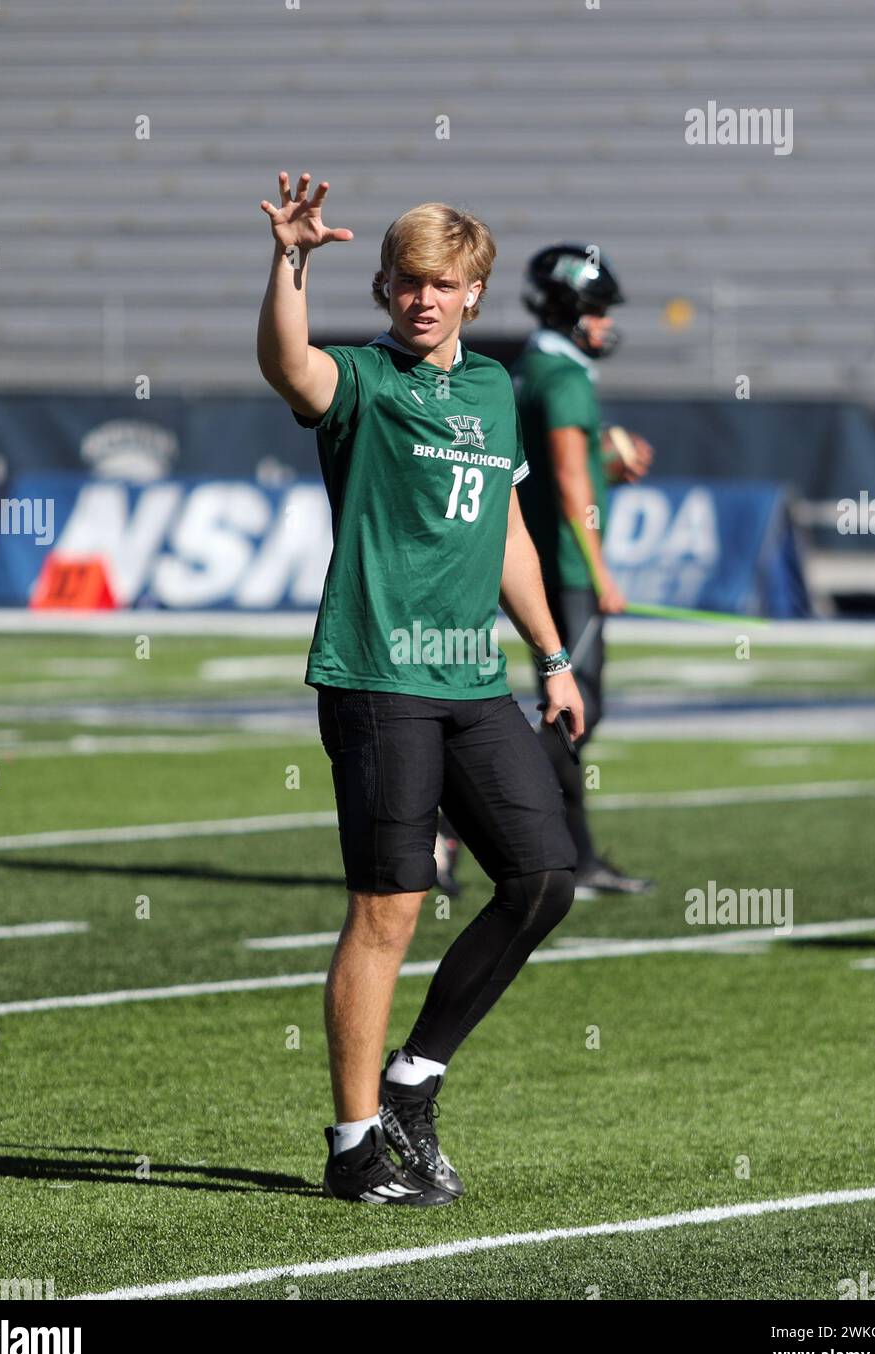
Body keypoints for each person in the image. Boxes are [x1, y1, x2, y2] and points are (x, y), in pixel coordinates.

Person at [257, 173, 584, 1205]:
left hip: (472, 678)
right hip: (376, 675)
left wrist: (553, 656)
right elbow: (288, 367)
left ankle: (414, 1076)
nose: (423, 299)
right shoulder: (361, 379)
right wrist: (287, 261)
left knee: (541, 878)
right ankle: (354, 1148)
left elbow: (508, 540)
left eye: (441, 283)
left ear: (476, 291)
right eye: (405, 282)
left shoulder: (492, 391)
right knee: (387, 909)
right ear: (384, 288)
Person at [436, 244, 656, 902]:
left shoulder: (533, 367)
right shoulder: (565, 379)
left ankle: (578, 855)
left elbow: (563, 469)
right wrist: (600, 572)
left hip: (544, 559)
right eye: (593, 310)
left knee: (575, 717)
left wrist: (604, 466)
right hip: (564, 566)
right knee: (574, 712)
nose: (602, 323)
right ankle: (449, 826)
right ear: (568, 311)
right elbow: (564, 481)